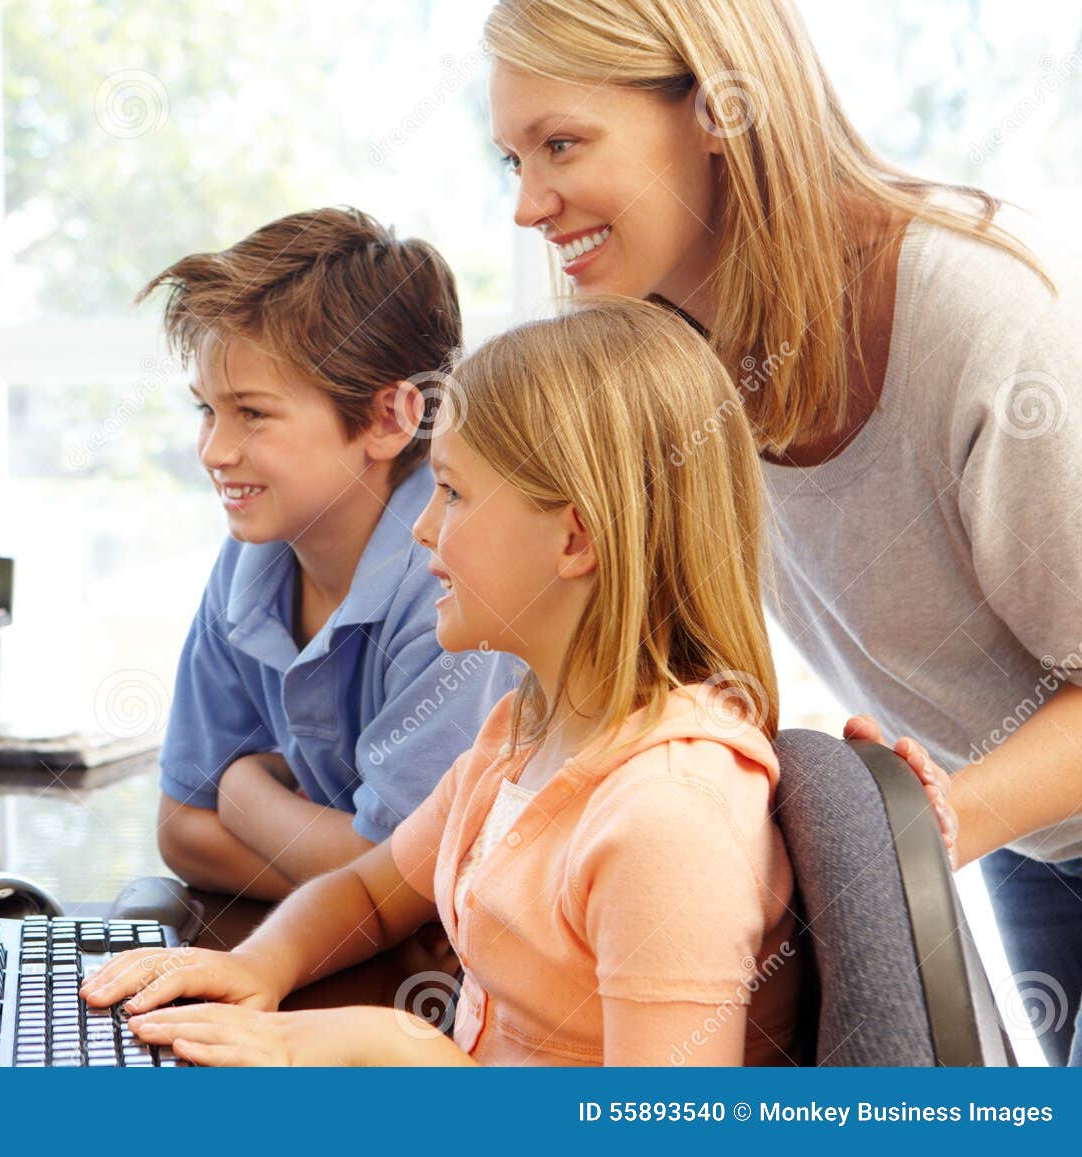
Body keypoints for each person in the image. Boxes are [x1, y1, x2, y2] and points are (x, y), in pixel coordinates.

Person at [483, 0, 1082, 1064]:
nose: (528, 204)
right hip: (1038, 837)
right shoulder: (674, 355)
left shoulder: (982, 320)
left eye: (562, 144)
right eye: (512, 159)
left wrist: (908, 830)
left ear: (717, 108)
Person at [83, 299, 801, 1066]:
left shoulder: (667, 816)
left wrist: (402, 1049)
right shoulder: (520, 735)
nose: (422, 528)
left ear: (575, 538)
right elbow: (368, 891)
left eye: (453, 493)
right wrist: (255, 965)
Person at [143, 206, 520, 900]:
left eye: (252, 412)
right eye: (207, 410)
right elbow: (180, 829)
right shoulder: (249, 562)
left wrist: (242, 790)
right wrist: (363, 893)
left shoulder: (452, 581)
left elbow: (409, 879)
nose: (215, 451)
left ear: (389, 418)